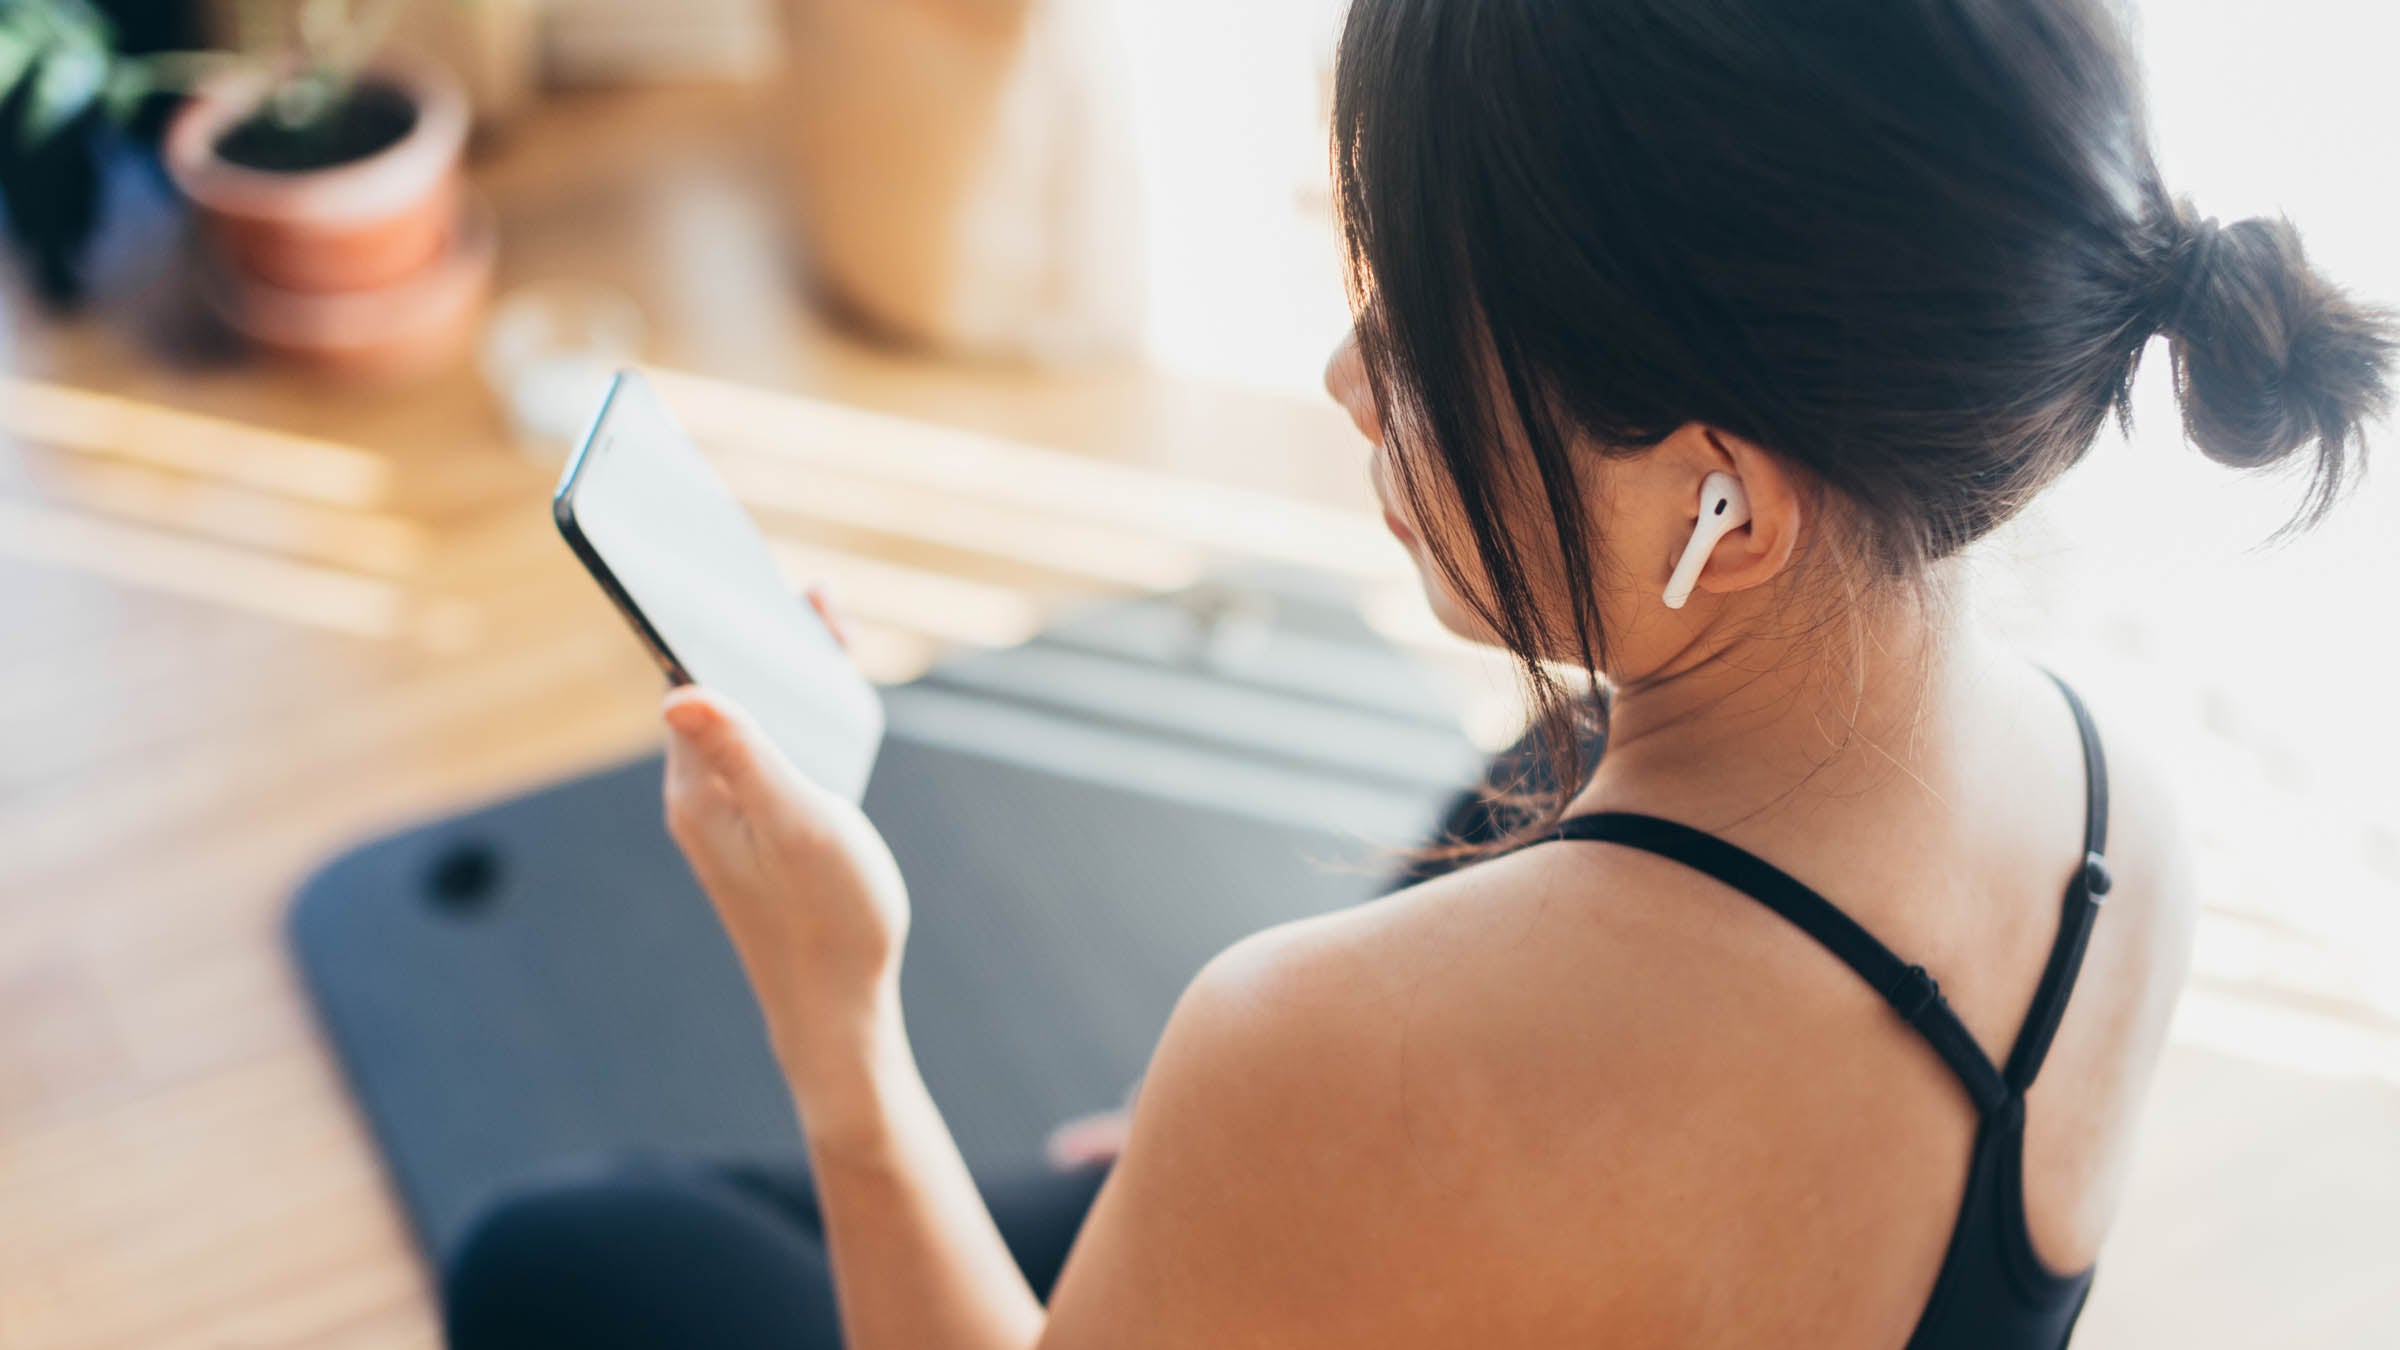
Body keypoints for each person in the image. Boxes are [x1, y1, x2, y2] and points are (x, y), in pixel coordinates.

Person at [442, 0, 2392, 1346]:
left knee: (573, 1261)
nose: (1347, 381)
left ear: (1723, 498)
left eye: (1430, 345)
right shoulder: (2134, 809)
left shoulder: (1318, 1052)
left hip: (1365, 1127)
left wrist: (837, 1015)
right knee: (1491, 810)